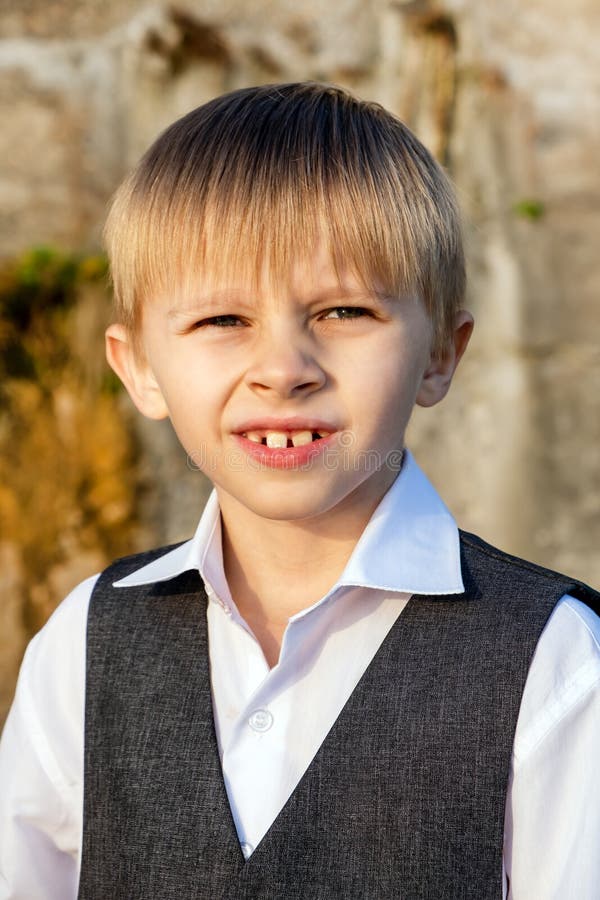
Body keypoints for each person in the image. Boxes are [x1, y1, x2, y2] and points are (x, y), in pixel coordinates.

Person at [0, 82, 599, 900]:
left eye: (345, 310)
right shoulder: (86, 643)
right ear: (138, 366)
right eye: (222, 321)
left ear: (439, 356)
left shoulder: (555, 660)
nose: (283, 370)